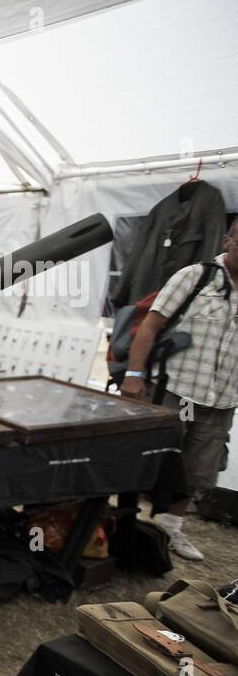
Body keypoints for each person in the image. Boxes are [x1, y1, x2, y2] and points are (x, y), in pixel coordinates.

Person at [122, 217, 238, 561]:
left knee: (198, 469)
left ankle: (172, 529)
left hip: (222, 398)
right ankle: (123, 524)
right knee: (150, 461)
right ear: (228, 240)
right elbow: (150, 327)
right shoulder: (195, 277)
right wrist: (133, 374)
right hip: (176, 389)